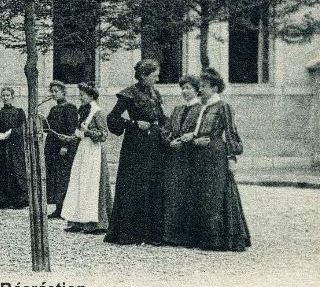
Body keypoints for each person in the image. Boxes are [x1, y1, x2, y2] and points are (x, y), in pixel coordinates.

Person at [105, 58, 167, 246]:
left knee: (152, 185)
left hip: (154, 145)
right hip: (135, 147)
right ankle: (129, 233)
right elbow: (112, 118)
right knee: (134, 186)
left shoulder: (155, 93)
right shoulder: (129, 94)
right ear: (143, 76)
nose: (157, 79)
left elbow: (161, 118)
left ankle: (150, 233)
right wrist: (134, 124)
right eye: (154, 76)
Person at [189, 68, 251, 251]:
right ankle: (204, 238)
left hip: (216, 154)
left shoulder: (223, 106)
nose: (201, 90)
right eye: (200, 86)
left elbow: (231, 133)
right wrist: (195, 140)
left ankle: (219, 239)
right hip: (201, 154)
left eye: (205, 86)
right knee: (202, 193)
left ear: (215, 88)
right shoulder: (203, 107)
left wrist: (231, 157)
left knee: (215, 194)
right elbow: (196, 131)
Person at [61, 83, 112, 234]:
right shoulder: (84, 111)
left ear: (91, 96)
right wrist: (69, 138)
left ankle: (97, 224)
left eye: (82, 94)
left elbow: (103, 135)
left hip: (94, 153)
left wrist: (88, 132)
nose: (80, 97)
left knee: (92, 186)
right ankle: (78, 221)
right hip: (83, 151)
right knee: (79, 184)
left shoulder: (98, 112)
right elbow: (79, 134)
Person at [160, 75, 203, 247]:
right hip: (175, 156)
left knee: (189, 194)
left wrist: (191, 137)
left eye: (189, 88)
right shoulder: (177, 109)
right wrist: (170, 141)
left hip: (192, 157)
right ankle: (172, 235)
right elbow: (166, 129)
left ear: (197, 90)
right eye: (183, 88)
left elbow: (203, 130)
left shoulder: (201, 109)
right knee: (173, 193)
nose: (185, 92)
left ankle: (189, 236)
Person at [0, 87, 29, 209]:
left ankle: (17, 201)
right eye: (3, 95)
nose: (5, 97)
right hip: (1, 147)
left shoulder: (19, 112)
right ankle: (2, 200)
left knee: (15, 172)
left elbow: (23, 128)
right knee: (1, 172)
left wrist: (12, 132)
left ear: (12, 97)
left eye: (8, 95)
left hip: (14, 147)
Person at [44, 81, 79, 219]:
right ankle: (58, 208)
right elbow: (47, 127)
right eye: (52, 91)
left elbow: (71, 129)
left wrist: (65, 146)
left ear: (64, 92)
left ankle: (64, 208)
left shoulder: (70, 108)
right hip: (52, 147)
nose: (53, 94)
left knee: (63, 177)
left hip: (63, 148)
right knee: (55, 177)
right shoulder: (54, 109)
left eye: (56, 91)